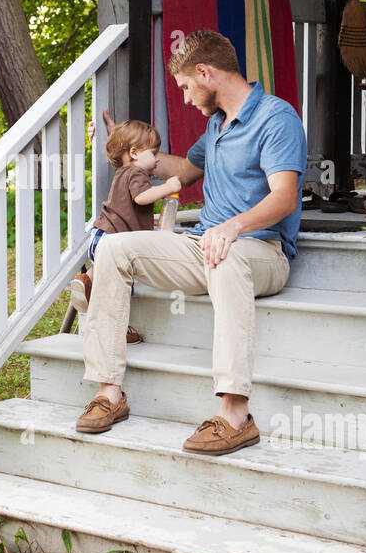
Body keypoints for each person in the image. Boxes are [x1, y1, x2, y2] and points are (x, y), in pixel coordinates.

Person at [74, 29, 307, 457]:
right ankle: (110, 392)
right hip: (204, 245)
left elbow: (285, 197)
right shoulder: (215, 126)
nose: (183, 97)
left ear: (205, 72)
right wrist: (124, 146)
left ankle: (235, 414)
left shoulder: (276, 119)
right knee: (112, 248)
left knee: (227, 254)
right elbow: (181, 167)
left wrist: (233, 227)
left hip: (260, 251)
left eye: (185, 86)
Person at [69, 119, 182, 344]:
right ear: (134, 152)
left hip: (101, 234)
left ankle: (86, 280)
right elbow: (141, 197)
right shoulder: (137, 174)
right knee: (120, 287)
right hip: (116, 239)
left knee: (103, 271)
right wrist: (168, 187)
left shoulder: (122, 172)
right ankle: (118, 328)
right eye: (154, 152)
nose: (158, 158)